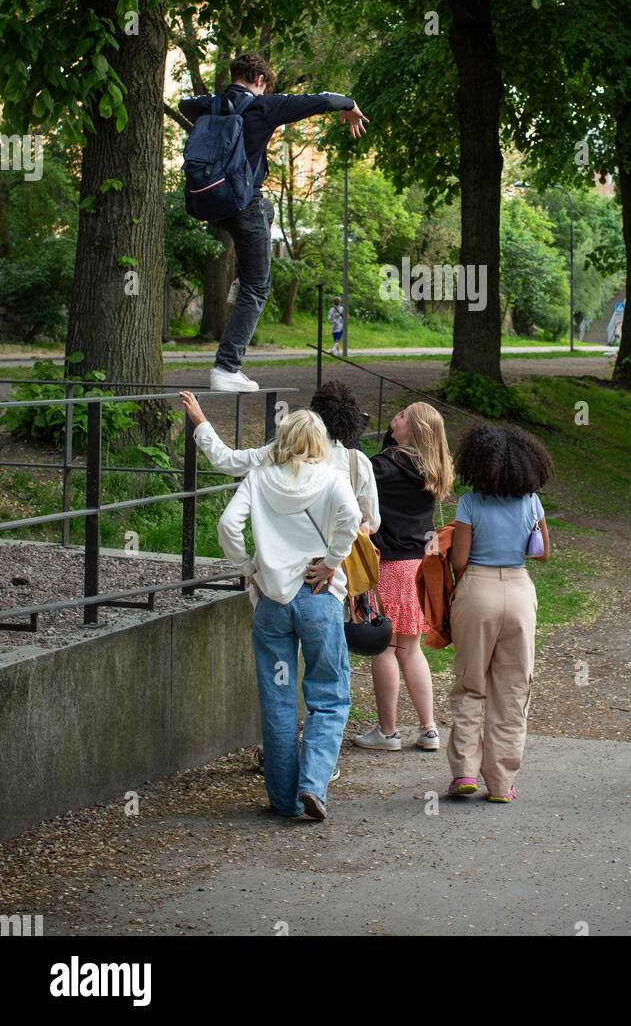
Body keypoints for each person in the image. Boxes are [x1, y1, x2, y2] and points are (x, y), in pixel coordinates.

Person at [178, 393, 363, 819]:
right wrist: (331, 562)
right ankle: (314, 784)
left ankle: (283, 800)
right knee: (329, 695)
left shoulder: (260, 476)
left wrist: (248, 568)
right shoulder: (333, 478)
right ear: (318, 442)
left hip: (272, 604)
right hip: (317, 599)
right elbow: (351, 522)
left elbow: (227, 524)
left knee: (277, 700)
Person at [179, 53, 368, 394]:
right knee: (257, 286)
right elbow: (319, 101)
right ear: (261, 80)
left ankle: (240, 285)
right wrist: (350, 103)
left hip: (215, 206)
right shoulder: (261, 107)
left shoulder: (210, 105)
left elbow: (183, 105)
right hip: (243, 205)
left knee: (266, 212)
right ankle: (227, 367)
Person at [445, 424, 552, 803]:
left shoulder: (470, 503)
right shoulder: (532, 502)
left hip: (477, 588)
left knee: (471, 684)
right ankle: (502, 782)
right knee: (513, 689)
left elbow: (459, 559)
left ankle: (464, 773)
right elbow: (542, 552)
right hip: (520, 593)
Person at [352, 403, 454, 754]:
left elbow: (357, 478)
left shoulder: (384, 467)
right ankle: (428, 729)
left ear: (411, 429)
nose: (394, 417)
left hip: (390, 564)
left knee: (384, 647)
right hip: (418, 567)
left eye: (401, 416)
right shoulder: (431, 469)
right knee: (410, 650)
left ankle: (388, 731)